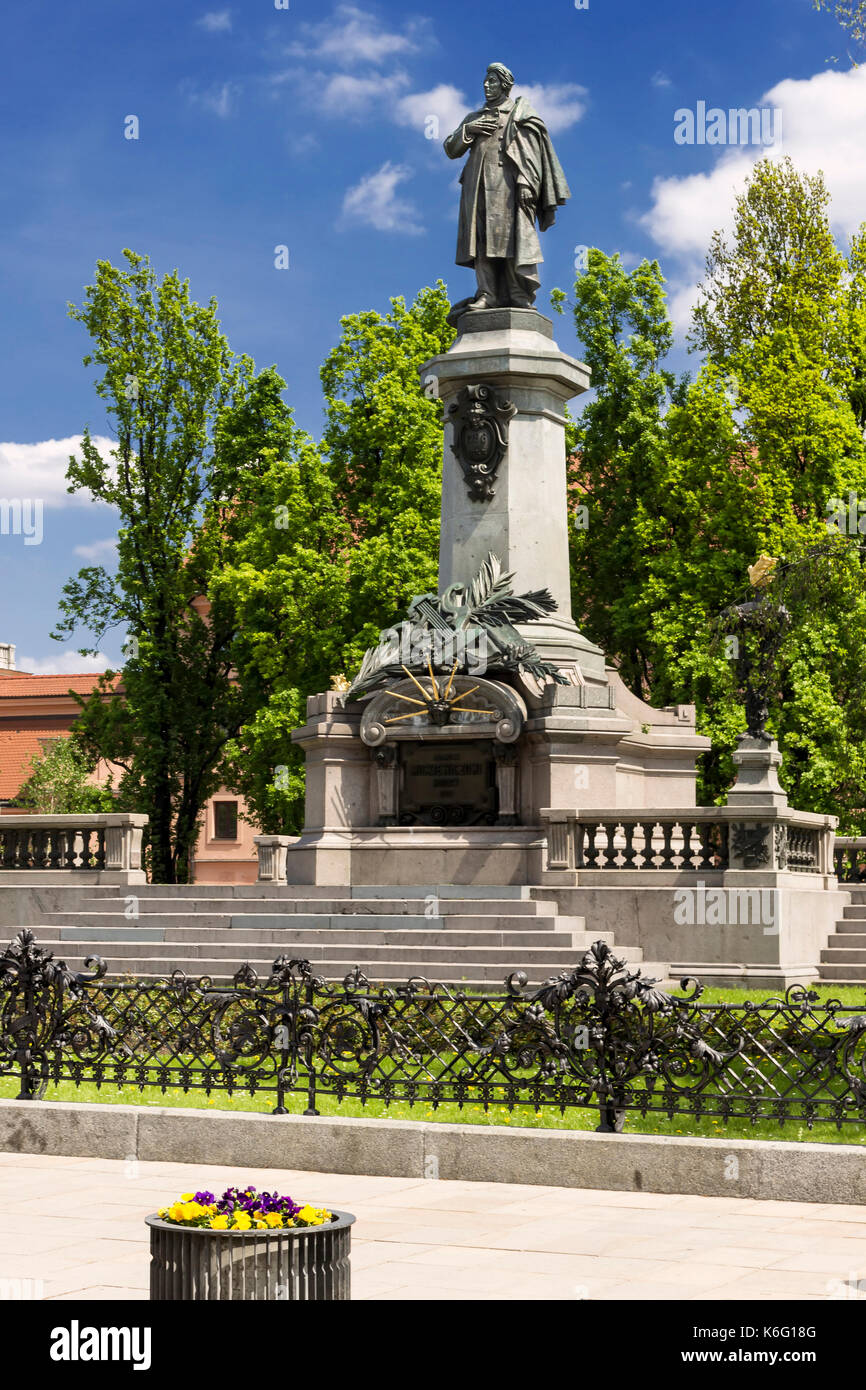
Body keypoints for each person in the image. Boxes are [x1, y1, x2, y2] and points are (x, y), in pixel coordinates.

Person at [444, 62, 571, 312]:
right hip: (477, 186)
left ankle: (517, 293)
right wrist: (469, 130)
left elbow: (531, 154)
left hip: (509, 186)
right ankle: (486, 294)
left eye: (492, 81)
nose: (486, 86)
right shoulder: (474, 117)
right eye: (485, 81)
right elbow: (451, 149)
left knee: (513, 237)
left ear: (505, 85)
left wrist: (527, 183)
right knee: (481, 241)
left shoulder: (520, 114)